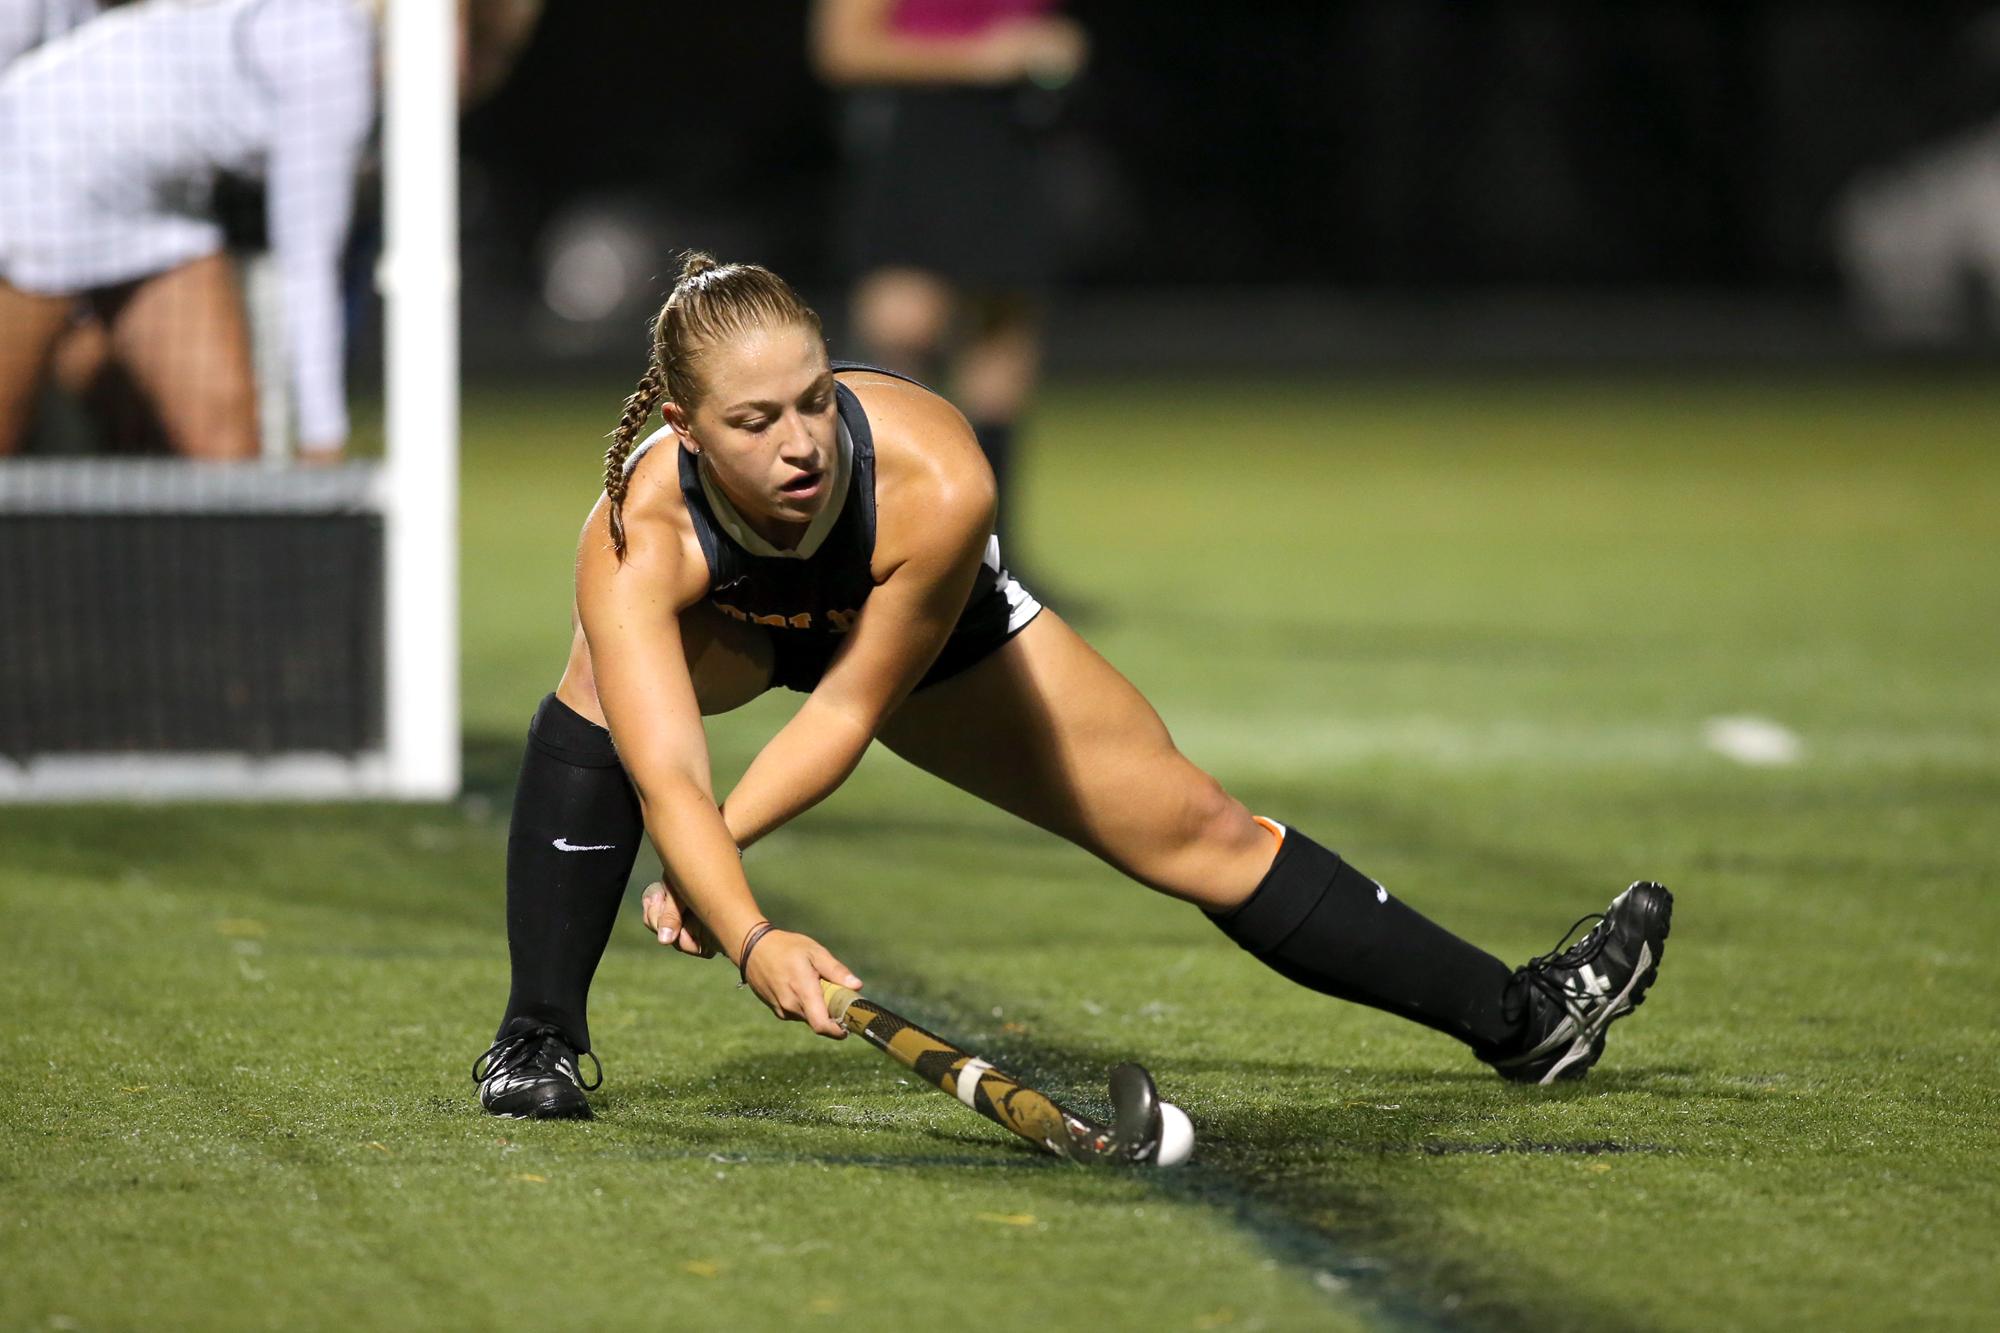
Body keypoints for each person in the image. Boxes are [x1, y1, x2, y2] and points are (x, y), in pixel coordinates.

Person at [472, 254, 1674, 1120]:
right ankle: (537, 1038)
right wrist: (745, 928)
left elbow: (847, 707)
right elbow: (667, 769)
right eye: (753, 421)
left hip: (913, 633)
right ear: (683, 430)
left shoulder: (939, 479)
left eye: (814, 401)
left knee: (1197, 829)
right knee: (599, 689)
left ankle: (1525, 1021)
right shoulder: (639, 534)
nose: (800, 444)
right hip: (727, 626)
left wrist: (719, 880)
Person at [0, 0, 376, 461]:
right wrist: (323, 436)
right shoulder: (329, 50)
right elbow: (308, 258)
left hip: (161, 206)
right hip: (39, 175)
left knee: (229, 452)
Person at [811, 0, 1087, 566]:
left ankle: (991, 559)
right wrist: (978, 57)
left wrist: (1055, 46)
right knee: (902, 324)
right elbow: (842, 50)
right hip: (917, 132)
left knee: (1000, 338)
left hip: (1009, 134)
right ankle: (889, 547)